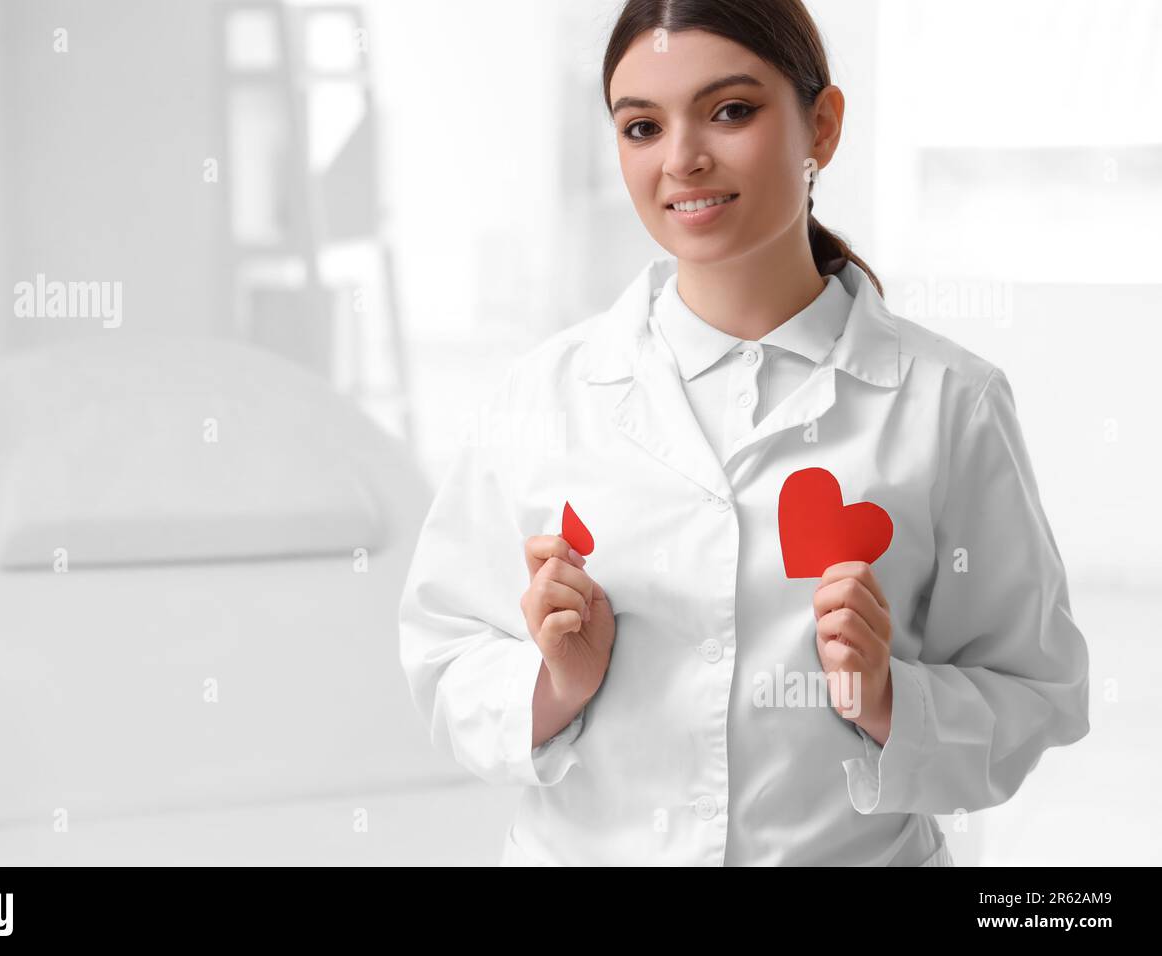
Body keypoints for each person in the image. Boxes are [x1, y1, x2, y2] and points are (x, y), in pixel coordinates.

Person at [397, 0, 1090, 865]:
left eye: (731, 111)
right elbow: (444, 652)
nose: (682, 158)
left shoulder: (951, 403)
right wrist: (555, 683)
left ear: (822, 127)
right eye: (642, 126)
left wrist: (887, 699)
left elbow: (1037, 691)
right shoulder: (543, 397)